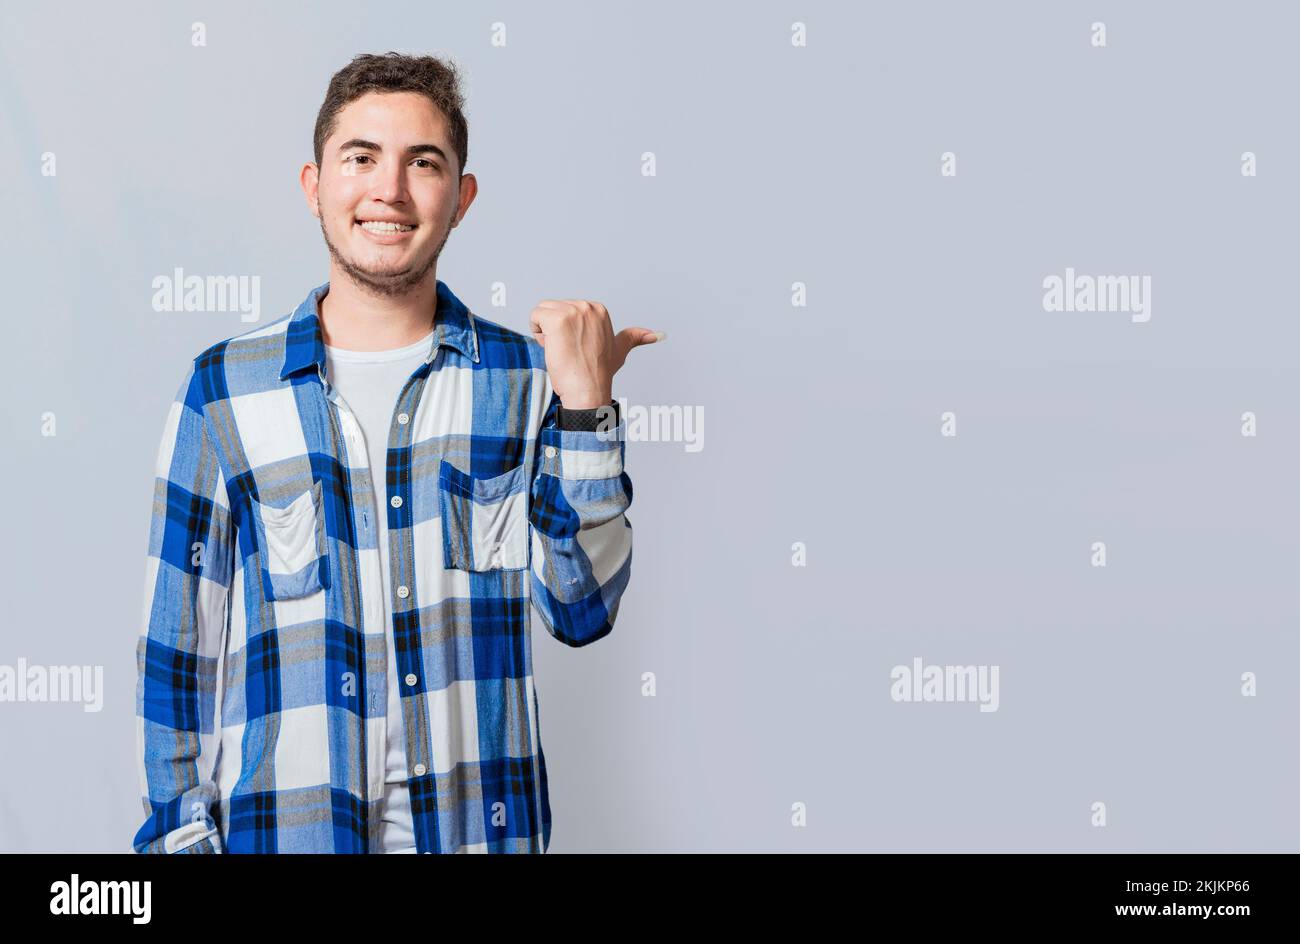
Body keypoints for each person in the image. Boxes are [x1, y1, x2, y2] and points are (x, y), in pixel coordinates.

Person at [132, 51, 659, 854]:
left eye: (424, 163)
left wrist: (585, 407)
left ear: (462, 198)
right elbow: (176, 657)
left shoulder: (523, 380)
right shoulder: (224, 391)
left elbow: (582, 610)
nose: (389, 190)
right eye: (361, 158)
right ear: (315, 186)